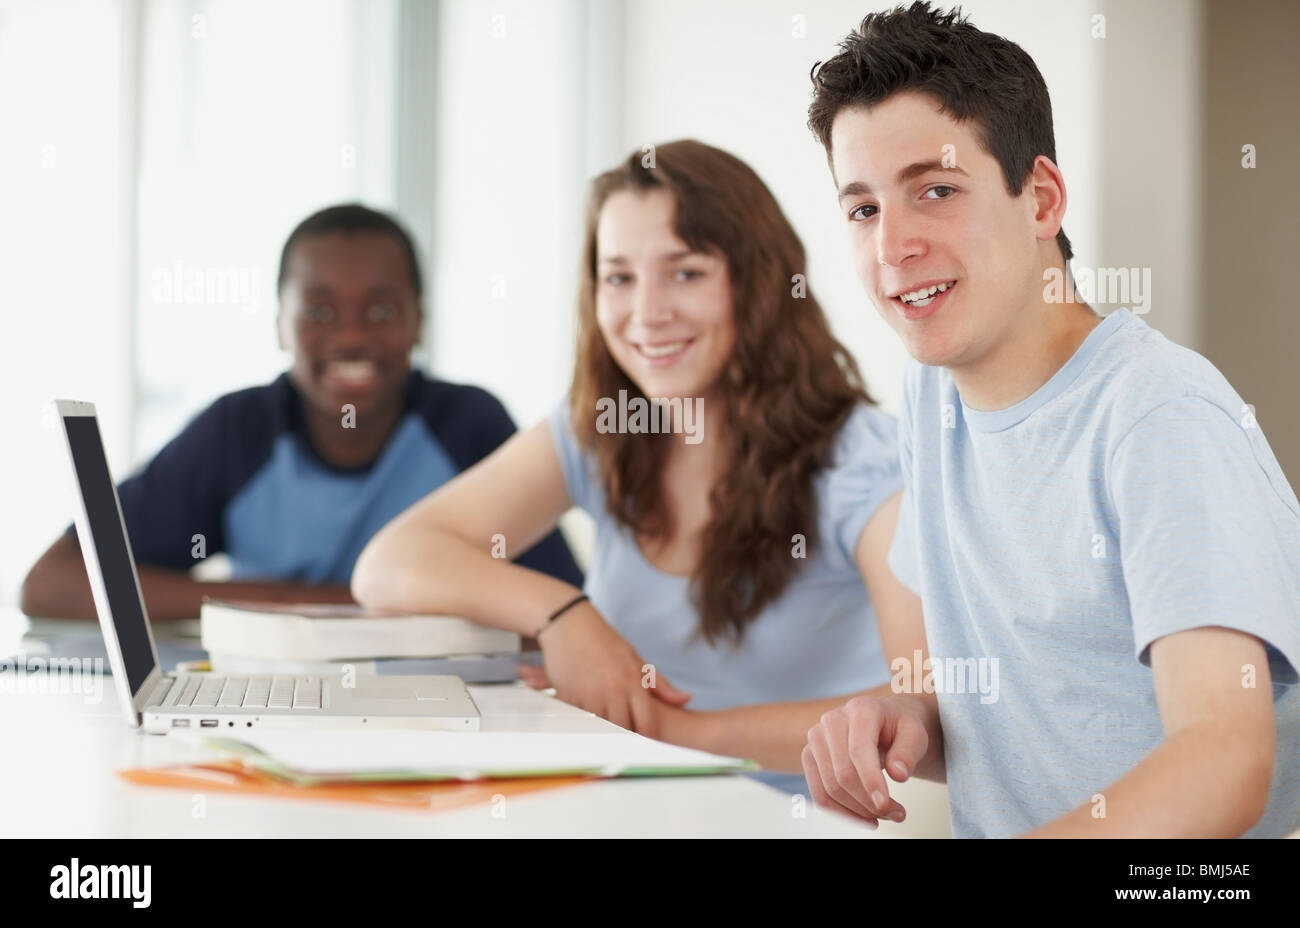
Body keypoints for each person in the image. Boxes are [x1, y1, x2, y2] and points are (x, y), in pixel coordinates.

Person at [800, 2, 1300, 837]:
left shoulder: (1158, 415)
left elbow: (1225, 756)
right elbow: (989, 695)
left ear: (1040, 200)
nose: (892, 247)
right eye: (864, 209)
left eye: (936, 190)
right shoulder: (934, 397)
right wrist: (901, 719)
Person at [353, 141, 926, 785]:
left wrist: (673, 732)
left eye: (686, 272)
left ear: (761, 283)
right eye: (619, 277)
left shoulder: (867, 465)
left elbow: (926, 711)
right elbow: (389, 564)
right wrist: (565, 618)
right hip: (616, 806)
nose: (647, 314)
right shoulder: (599, 430)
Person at [21, 204, 581, 622]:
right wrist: (325, 609)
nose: (353, 335)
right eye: (319, 310)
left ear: (418, 322)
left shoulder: (467, 426)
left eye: (382, 309)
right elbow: (52, 583)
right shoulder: (237, 431)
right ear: (279, 325)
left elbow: (559, 610)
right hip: (271, 692)